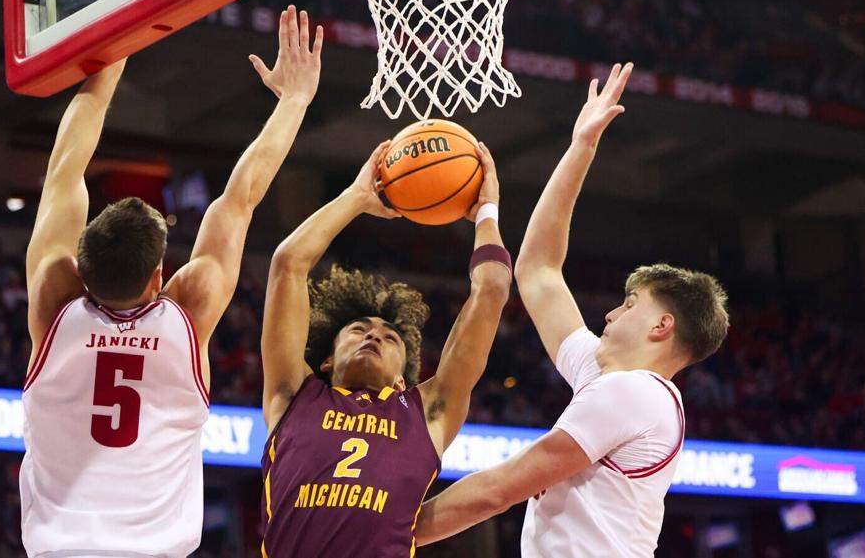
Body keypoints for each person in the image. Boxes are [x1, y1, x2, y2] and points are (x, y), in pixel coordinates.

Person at [20, 5, 323, 557]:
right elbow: (239, 200)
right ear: (159, 274)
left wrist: (110, 61)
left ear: (82, 266)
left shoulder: (53, 297)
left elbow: (64, 171)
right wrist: (294, 100)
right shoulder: (187, 311)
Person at [416, 63, 730, 557]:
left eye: (629, 305)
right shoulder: (609, 379)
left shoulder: (634, 393)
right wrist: (581, 147)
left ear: (661, 325)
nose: (610, 316)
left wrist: (386, 532)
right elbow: (538, 270)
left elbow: (500, 489)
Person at [259, 139, 511, 557]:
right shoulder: (293, 395)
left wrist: (487, 211)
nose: (373, 336)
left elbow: (493, 289)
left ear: (401, 379)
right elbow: (288, 264)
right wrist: (355, 197)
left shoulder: (427, 413)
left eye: (390, 338)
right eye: (358, 330)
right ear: (326, 360)